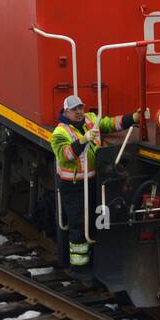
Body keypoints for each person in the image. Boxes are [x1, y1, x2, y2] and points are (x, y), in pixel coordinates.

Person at [50, 95, 140, 278]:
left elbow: (109, 124)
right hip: (73, 186)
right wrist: (83, 140)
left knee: (92, 221)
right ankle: (79, 268)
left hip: (91, 181)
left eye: (80, 108)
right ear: (66, 111)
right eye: (74, 109)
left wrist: (133, 118)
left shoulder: (90, 120)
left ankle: (94, 262)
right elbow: (65, 155)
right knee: (78, 224)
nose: (79, 112)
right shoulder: (60, 133)